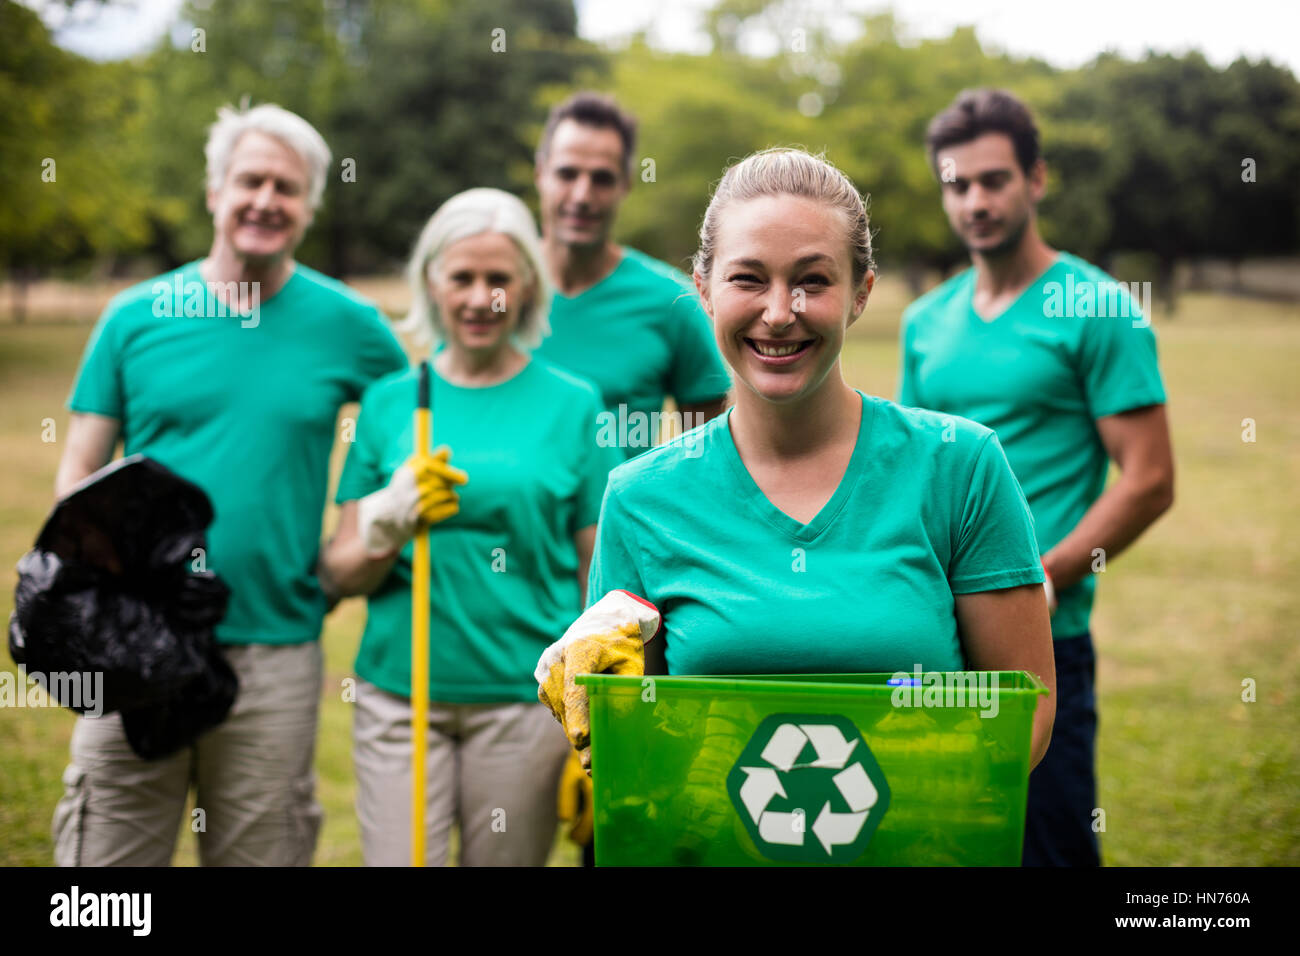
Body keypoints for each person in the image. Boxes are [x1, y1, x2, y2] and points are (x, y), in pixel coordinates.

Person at [537, 148, 1057, 785]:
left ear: (860, 294)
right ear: (703, 289)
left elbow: (1024, 707)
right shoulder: (639, 497)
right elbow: (642, 744)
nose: (780, 312)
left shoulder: (962, 466)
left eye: (813, 280)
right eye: (748, 279)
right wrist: (604, 708)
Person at [53, 103, 409, 866]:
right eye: (251, 180)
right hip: (134, 639)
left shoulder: (348, 324)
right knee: (104, 873)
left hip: (275, 650)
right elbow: (76, 474)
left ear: (308, 207)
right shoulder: (134, 317)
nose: (266, 200)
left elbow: (412, 421)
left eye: (287, 187)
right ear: (215, 192)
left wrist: (366, 525)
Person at [897, 88, 1175, 866]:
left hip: (1045, 637)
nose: (975, 201)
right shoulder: (928, 320)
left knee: (1048, 849)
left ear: (1036, 179)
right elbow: (920, 476)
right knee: (943, 848)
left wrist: (1044, 575)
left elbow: (1150, 478)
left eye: (994, 180)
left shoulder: (1097, 308)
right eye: (957, 185)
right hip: (936, 639)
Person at [320, 188, 620, 866]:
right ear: (432, 281)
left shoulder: (574, 404)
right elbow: (337, 573)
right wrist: (380, 524)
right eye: (461, 277)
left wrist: (596, 716)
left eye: (498, 278)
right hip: (400, 699)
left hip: (523, 705)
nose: (480, 297)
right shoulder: (392, 402)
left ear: (528, 286)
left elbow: (598, 574)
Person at [533, 91, 732, 459]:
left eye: (602, 179)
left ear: (626, 183)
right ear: (540, 174)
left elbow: (707, 456)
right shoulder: (492, 294)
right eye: (567, 173)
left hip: (616, 516)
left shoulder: (671, 301)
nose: (582, 195)